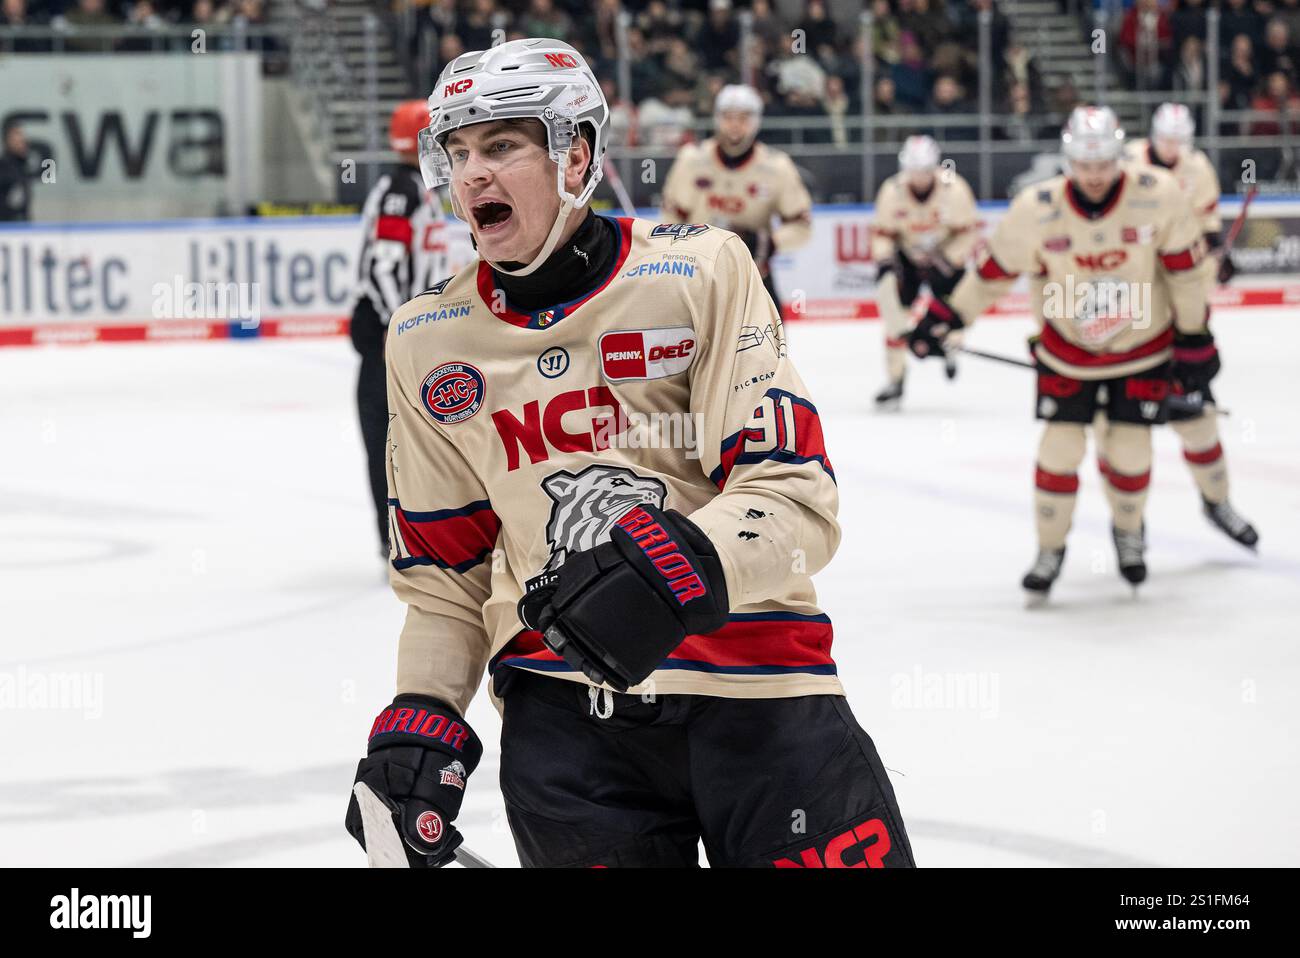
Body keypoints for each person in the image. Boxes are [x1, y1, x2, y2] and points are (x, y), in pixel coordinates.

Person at [343, 39, 914, 869]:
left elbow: (796, 496)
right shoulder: (428, 340)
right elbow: (445, 581)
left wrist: (677, 567)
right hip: (567, 725)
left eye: (502, 146)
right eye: (458, 153)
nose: (472, 176)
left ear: (576, 153)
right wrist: (420, 713)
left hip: (762, 691)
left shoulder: (699, 270)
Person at [908, 107, 1214, 600]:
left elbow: (1185, 272)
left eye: (1103, 164)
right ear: (1068, 160)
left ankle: (1129, 533)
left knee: (1131, 453)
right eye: (1083, 165)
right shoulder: (1036, 208)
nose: (1094, 176)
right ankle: (1050, 549)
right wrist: (948, 316)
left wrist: (1197, 337)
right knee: (1059, 450)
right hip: (1067, 353)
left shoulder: (1158, 195)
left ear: (1120, 157)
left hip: (1143, 349)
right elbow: (992, 274)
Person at [1111, 103, 1258, 548]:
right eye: (1166, 139)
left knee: (1198, 420)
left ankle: (1217, 501)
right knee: (1123, 434)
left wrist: (1219, 255)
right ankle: (1128, 524)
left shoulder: (1198, 168)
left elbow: (1209, 230)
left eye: (1179, 141)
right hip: (1130, 305)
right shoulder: (1126, 162)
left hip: (1179, 300)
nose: (1172, 148)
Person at [349, 100, 448, 557]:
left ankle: (410, 534)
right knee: (388, 442)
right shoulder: (400, 191)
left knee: (410, 440)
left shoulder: (413, 188)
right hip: (389, 336)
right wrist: (400, 324)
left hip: (403, 334)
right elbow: (384, 267)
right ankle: (394, 539)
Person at [659, 84, 813, 318]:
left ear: (756, 121)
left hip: (754, 275)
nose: (734, 125)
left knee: (767, 350)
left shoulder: (776, 166)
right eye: (728, 117)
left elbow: (801, 225)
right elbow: (670, 219)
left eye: (743, 118)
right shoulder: (691, 159)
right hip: (697, 276)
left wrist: (767, 243)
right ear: (717, 118)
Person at [871, 135, 977, 406]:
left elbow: (968, 234)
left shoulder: (955, 189)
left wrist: (949, 260)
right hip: (908, 257)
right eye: (913, 172)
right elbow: (882, 234)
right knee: (891, 306)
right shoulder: (891, 190)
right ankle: (896, 378)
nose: (919, 178)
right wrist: (884, 259)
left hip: (945, 257)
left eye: (925, 171)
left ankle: (950, 349)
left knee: (953, 310)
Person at [0, 121, 31, 222]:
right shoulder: (3, 167)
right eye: (17, 135)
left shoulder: (21, 167)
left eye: (22, 136)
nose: (22, 140)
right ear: (7, 141)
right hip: (7, 229)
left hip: (20, 228)